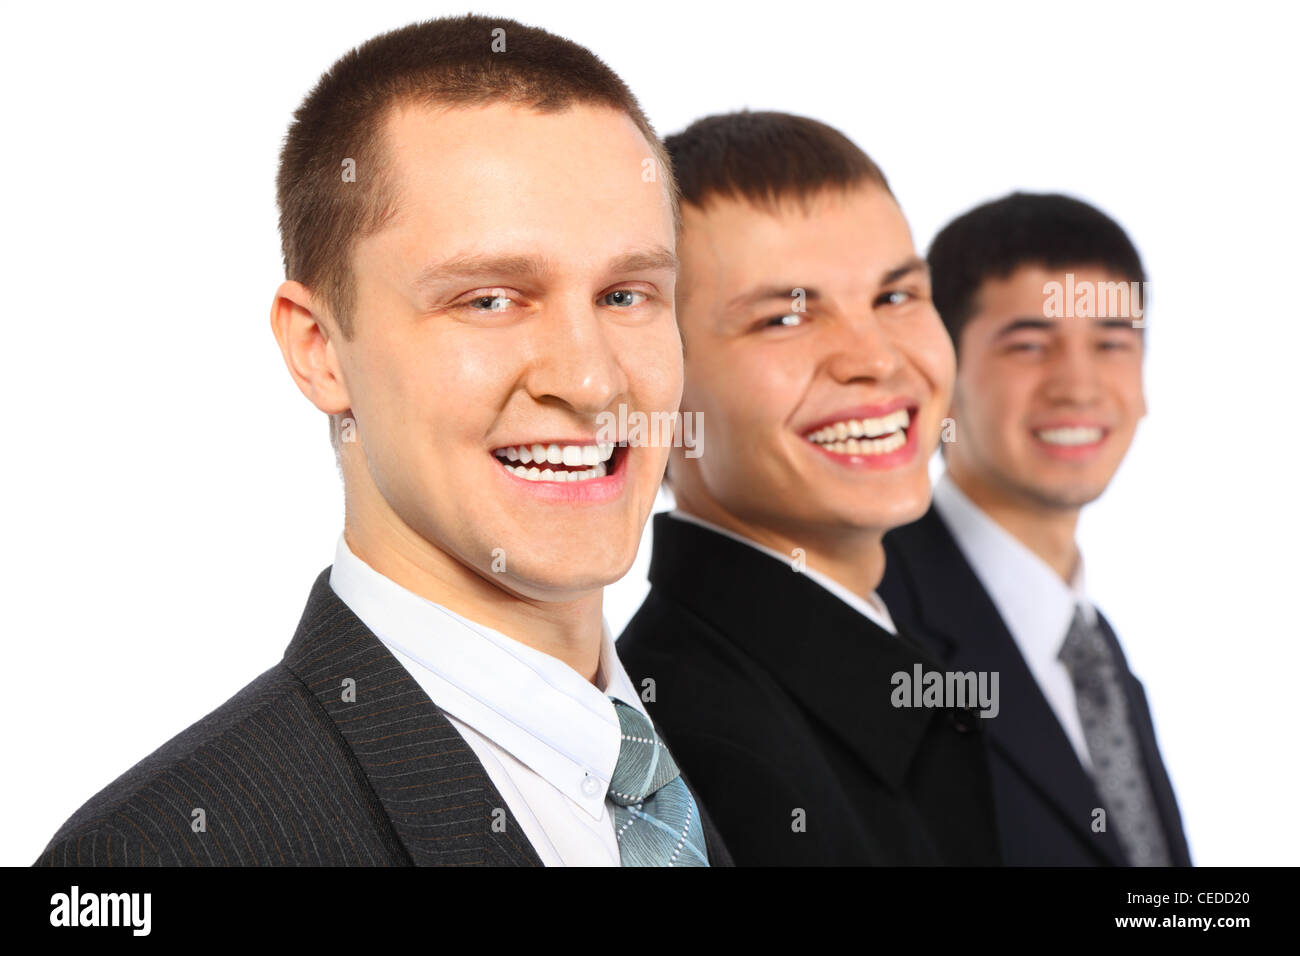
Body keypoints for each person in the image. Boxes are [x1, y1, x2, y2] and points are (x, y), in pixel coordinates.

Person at [35, 15, 727, 867]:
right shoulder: (156, 855)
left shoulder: (702, 772)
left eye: (627, 295)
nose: (591, 382)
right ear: (319, 350)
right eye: (489, 299)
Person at [617, 111, 1002, 865]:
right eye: (786, 317)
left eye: (895, 298)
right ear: (658, 376)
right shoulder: (705, 758)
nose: (876, 360)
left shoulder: (890, 657)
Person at [879, 192, 1192, 866]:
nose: (1078, 386)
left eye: (1112, 342)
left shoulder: (1092, 647)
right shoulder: (878, 624)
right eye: (1029, 344)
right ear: (942, 371)